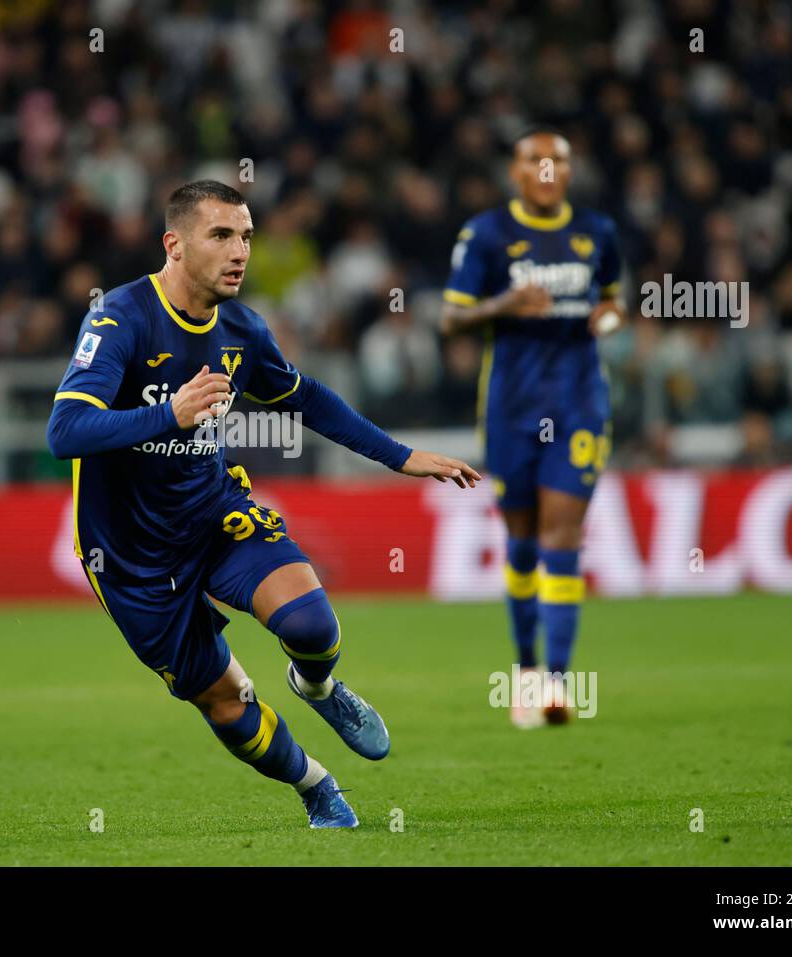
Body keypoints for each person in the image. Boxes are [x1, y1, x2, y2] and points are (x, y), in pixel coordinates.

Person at [48, 180, 481, 828]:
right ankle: (317, 786)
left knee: (311, 625)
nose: (239, 251)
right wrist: (170, 412)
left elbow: (304, 398)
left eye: (246, 236)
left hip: (213, 511)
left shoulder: (243, 329)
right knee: (226, 701)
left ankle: (318, 687)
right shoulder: (120, 318)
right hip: (129, 554)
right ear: (175, 243)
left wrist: (400, 456)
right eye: (221, 235)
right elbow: (65, 432)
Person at [440, 131, 625, 728]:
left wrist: (610, 315)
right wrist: (503, 305)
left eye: (559, 160)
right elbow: (450, 318)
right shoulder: (487, 234)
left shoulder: (599, 232)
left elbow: (616, 298)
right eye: (534, 160)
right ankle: (524, 670)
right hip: (511, 410)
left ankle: (558, 685)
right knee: (521, 544)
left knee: (562, 536)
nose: (547, 169)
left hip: (578, 404)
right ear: (516, 172)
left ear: (569, 172)